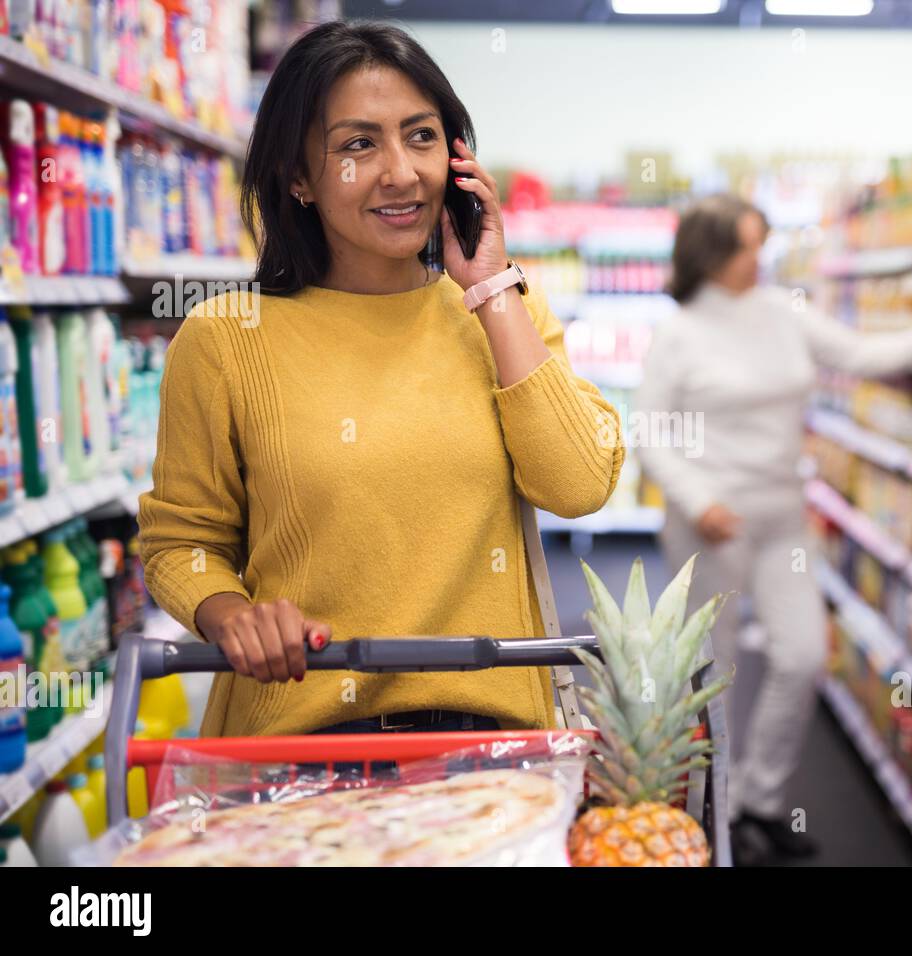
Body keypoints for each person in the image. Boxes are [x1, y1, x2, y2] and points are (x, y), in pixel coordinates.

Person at [137, 20, 624, 737]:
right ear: (298, 177)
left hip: (491, 740)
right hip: (299, 742)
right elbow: (182, 541)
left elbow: (579, 486)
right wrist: (234, 616)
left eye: (422, 136)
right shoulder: (223, 339)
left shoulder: (501, 311)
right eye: (358, 144)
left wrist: (491, 289)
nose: (402, 172)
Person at [636, 194, 912, 865]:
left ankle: (761, 801)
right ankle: (705, 812)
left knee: (802, 654)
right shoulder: (680, 332)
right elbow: (650, 430)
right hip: (709, 523)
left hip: (782, 515)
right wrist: (696, 498)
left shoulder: (782, 312)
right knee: (712, 671)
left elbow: (859, 354)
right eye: (750, 247)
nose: (761, 259)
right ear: (713, 253)